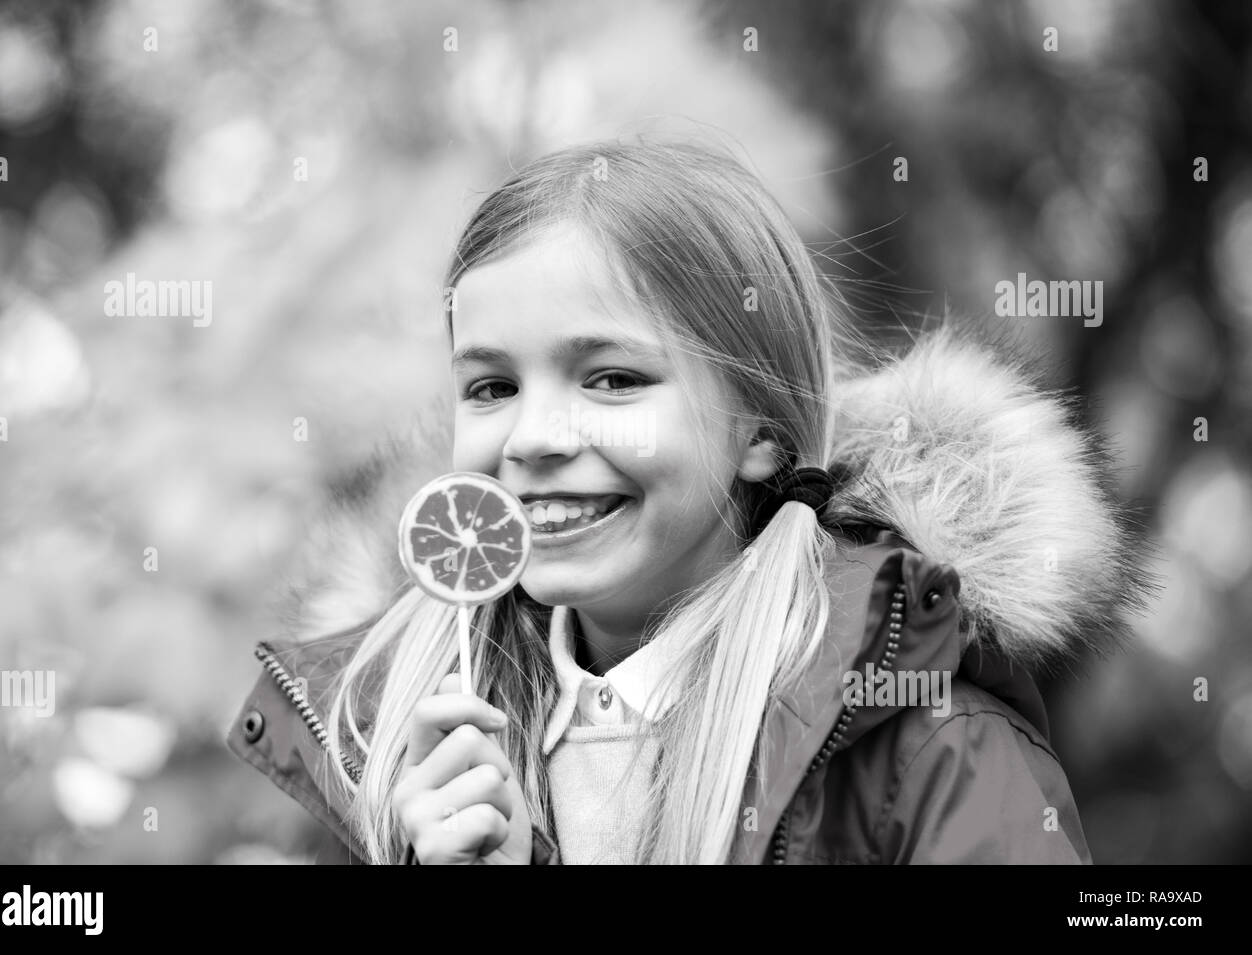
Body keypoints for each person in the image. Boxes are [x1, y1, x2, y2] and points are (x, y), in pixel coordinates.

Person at [227, 139, 1148, 864]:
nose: (534, 437)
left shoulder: (931, 751)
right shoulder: (391, 742)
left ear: (760, 433)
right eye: (491, 387)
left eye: (614, 378)